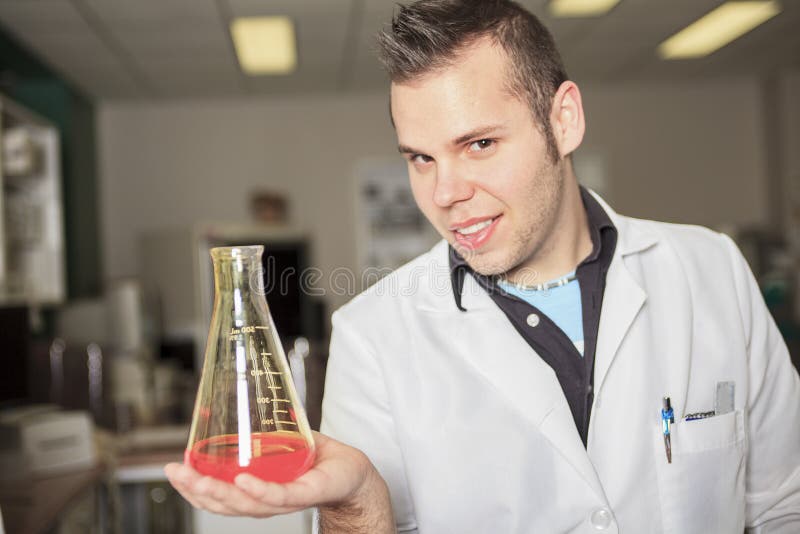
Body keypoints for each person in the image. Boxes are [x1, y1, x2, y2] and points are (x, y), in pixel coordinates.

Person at [166, 1, 800, 532]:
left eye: (479, 144)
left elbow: (783, 505)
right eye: (420, 158)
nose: (444, 194)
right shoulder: (372, 336)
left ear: (564, 120)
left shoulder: (711, 271)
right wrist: (357, 500)